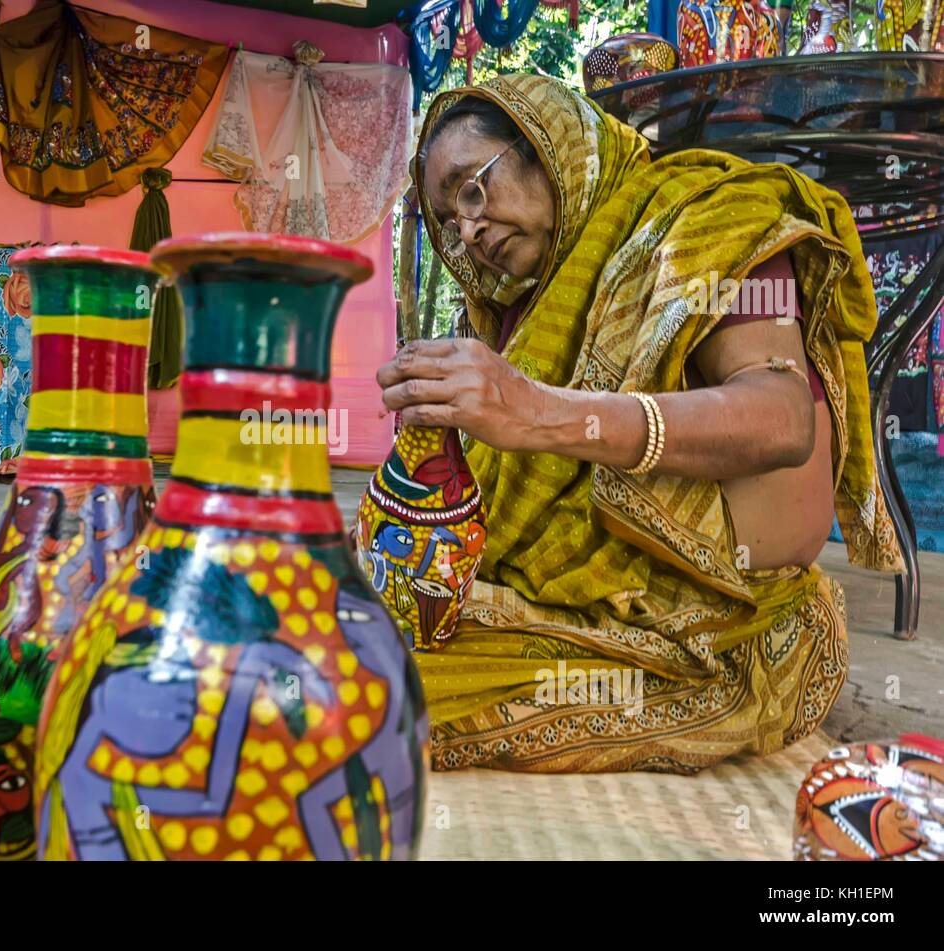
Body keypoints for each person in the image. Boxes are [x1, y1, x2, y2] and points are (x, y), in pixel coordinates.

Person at [378, 74, 900, 773]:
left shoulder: (702, 216)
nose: (467, 230)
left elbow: (780, 419)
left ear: (548, 146)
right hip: (582, 606)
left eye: (474, 189)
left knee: (370, 692)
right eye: (448, 220)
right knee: (348, 627)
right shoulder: (519, 307)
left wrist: (540, 412)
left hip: (723, 632)